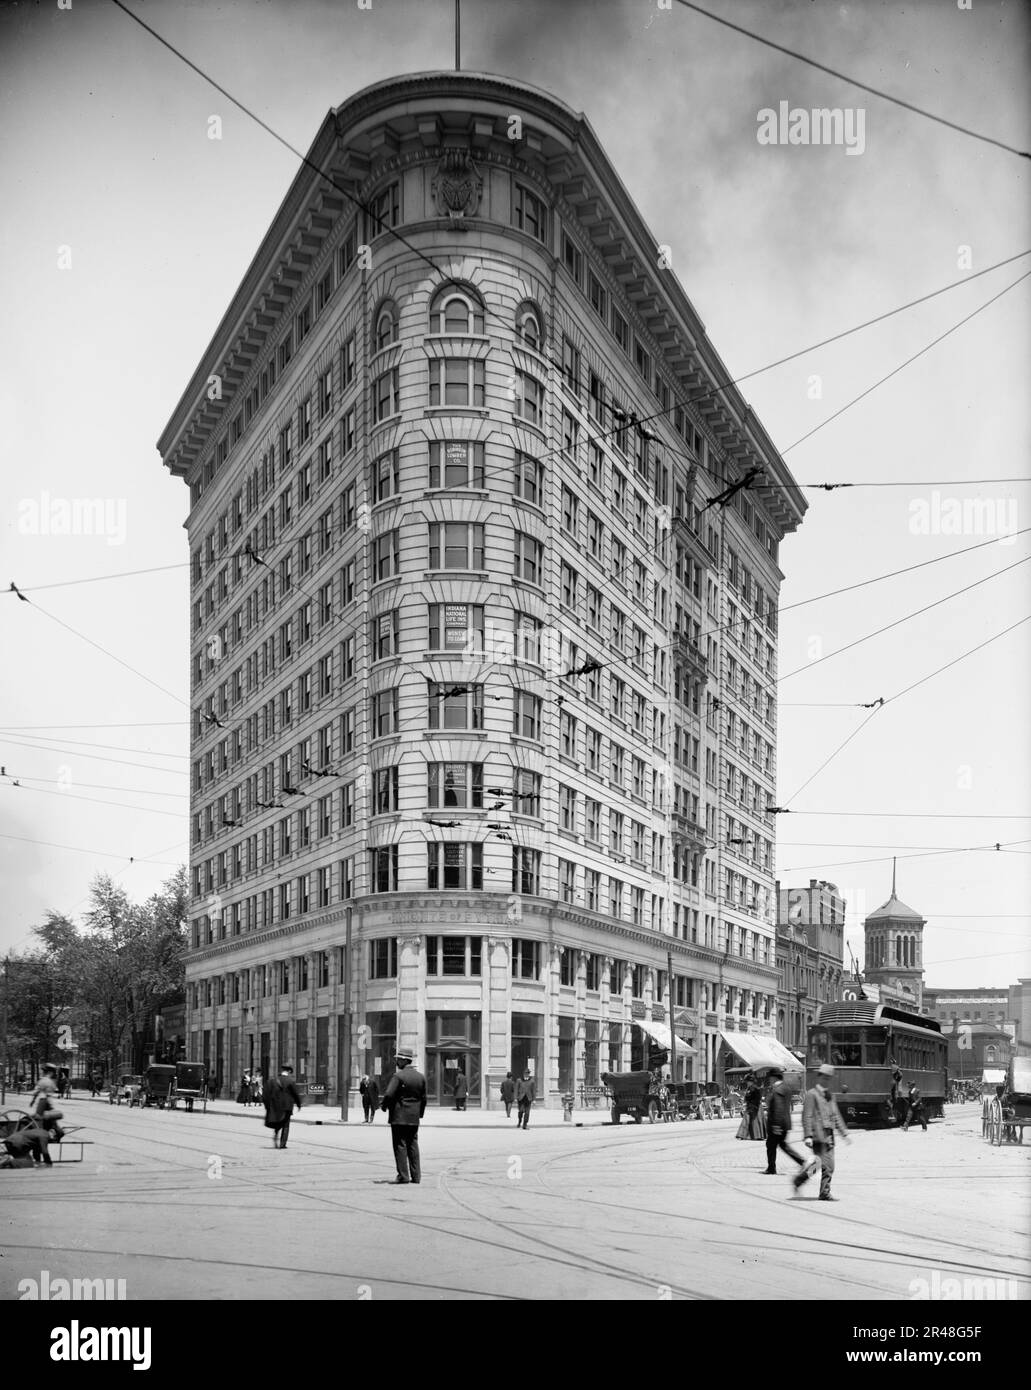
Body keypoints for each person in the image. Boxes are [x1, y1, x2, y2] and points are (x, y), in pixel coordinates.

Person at [796, 1063, 851, 1200]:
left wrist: (844, 1133)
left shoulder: (830, 1096)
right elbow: (807, 1116)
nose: (826, 1080)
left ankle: (800, 1179)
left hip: (829, 1136)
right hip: (817, 1136)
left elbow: (836, 1114)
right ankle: (824, 1193)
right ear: (819, 1077)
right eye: (824, 1077)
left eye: (829, 1078)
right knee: (827, 1165)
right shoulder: (811, 1094)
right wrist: (808, 1135)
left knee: (822, 1164)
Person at [380, 1049, 426, 1184]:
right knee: (413, 1144)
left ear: (405, 1060)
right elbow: (424, 1099)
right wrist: (419, 1114)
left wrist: (384, 1106)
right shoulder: (421, 1077)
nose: (397, 1061)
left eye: (399, 1059)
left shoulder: (398, 1076)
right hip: (414, 1117)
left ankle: (403, 1176)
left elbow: (389, 1094)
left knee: (400, 1145)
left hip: (399, 1116)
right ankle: (416, 1176)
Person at [763, 1068, 806, 1176]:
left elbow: (778, 1107)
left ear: (774, 1077)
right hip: (784, 1122)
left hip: (778, 1123)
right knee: (780, 1145)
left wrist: (776, 1125)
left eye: (770, 1077)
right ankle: (801, 1162)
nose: (769, 1079)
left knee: (772, 1145)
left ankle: (772, 1168)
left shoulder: (778, 1089)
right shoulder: (785, 1088)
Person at [263, 1064, 303, 1149]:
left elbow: (265, 1095)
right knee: (286, 1125)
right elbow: (295, 1094)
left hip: (275, 1106)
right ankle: (283, 1144)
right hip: (287, 1106)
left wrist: (267, 1106)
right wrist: (299, 1104)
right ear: (289, 1071)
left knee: (278, 1122)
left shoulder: (273, 1081)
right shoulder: (290, 1081)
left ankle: (276, 1134)